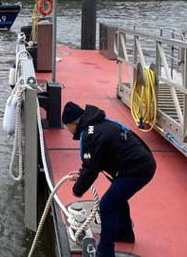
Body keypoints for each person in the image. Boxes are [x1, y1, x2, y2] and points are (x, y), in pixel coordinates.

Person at [62, 102, 156, 257]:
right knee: (117, 198)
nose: (68, 131)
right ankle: (124, 233)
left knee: (107, 205)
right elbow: (94, 162)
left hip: (136, 170)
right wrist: (81, 173)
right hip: (139, 164)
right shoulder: (98, 124)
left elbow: (91, 170)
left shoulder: (90, 136)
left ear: (74, 123)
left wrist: (76, 190)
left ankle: (105, 252)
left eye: (67, 127)